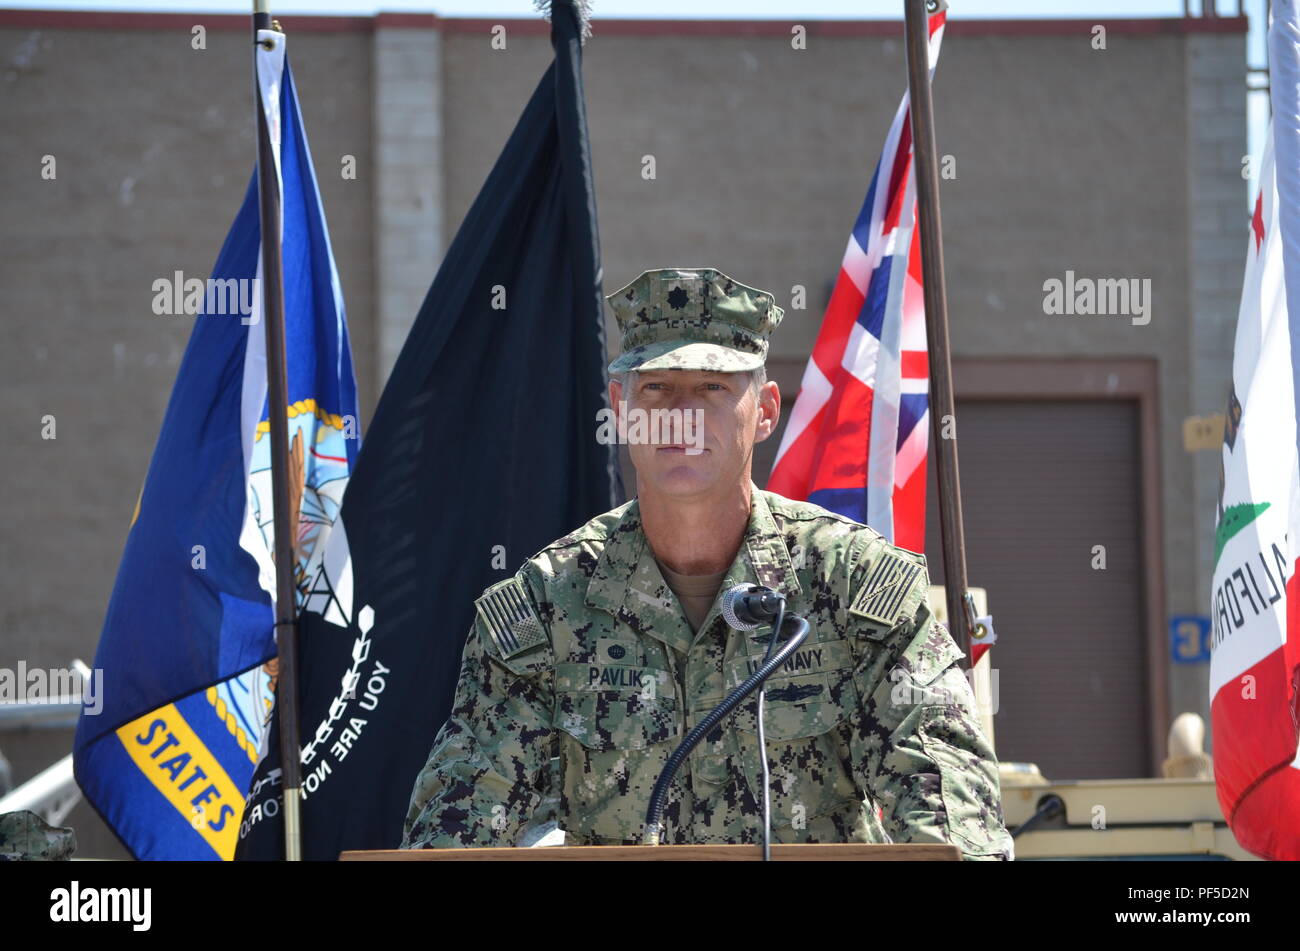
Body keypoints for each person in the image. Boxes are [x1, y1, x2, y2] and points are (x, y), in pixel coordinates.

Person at [401, 266, 1013, 859]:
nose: (682, 413)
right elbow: (462, 817)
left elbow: (945, 797)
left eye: (713, 387)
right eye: (656, 388)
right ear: (621, 408)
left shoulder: (850, 585)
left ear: (766, 410)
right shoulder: (546, 607)